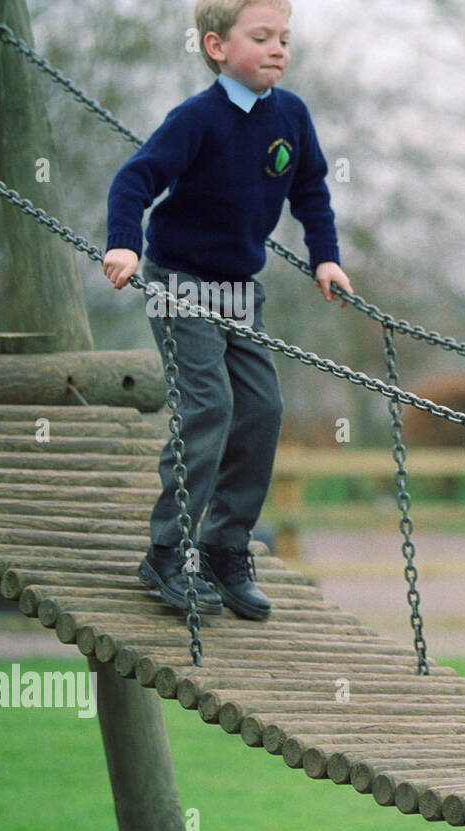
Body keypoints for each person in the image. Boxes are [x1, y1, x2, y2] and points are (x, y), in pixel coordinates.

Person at [102, 0, 351, 620]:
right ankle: (168, 549)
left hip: (242, 292)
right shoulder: (197, 119)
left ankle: (224, 543)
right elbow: (135, 179)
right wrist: (124, 243)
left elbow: (311, 187)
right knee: (208, 405)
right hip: (179, 286)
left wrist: (325, 256)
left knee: (263, 409)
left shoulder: (290, 115)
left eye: (284, 38)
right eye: (261, 37)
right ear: (216, 47)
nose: (278, 49)